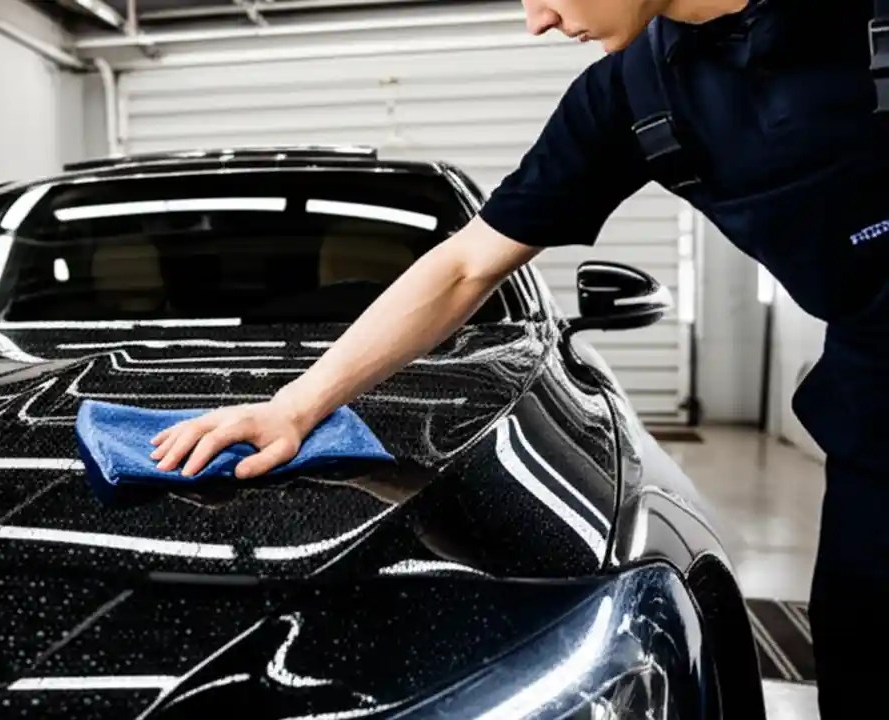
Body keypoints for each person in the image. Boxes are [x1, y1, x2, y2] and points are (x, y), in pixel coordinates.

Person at [149, 0, 888, 715]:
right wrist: (293, 405)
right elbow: (467, 264)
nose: (536, 19)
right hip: (876, 416)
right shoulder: (632, 92)